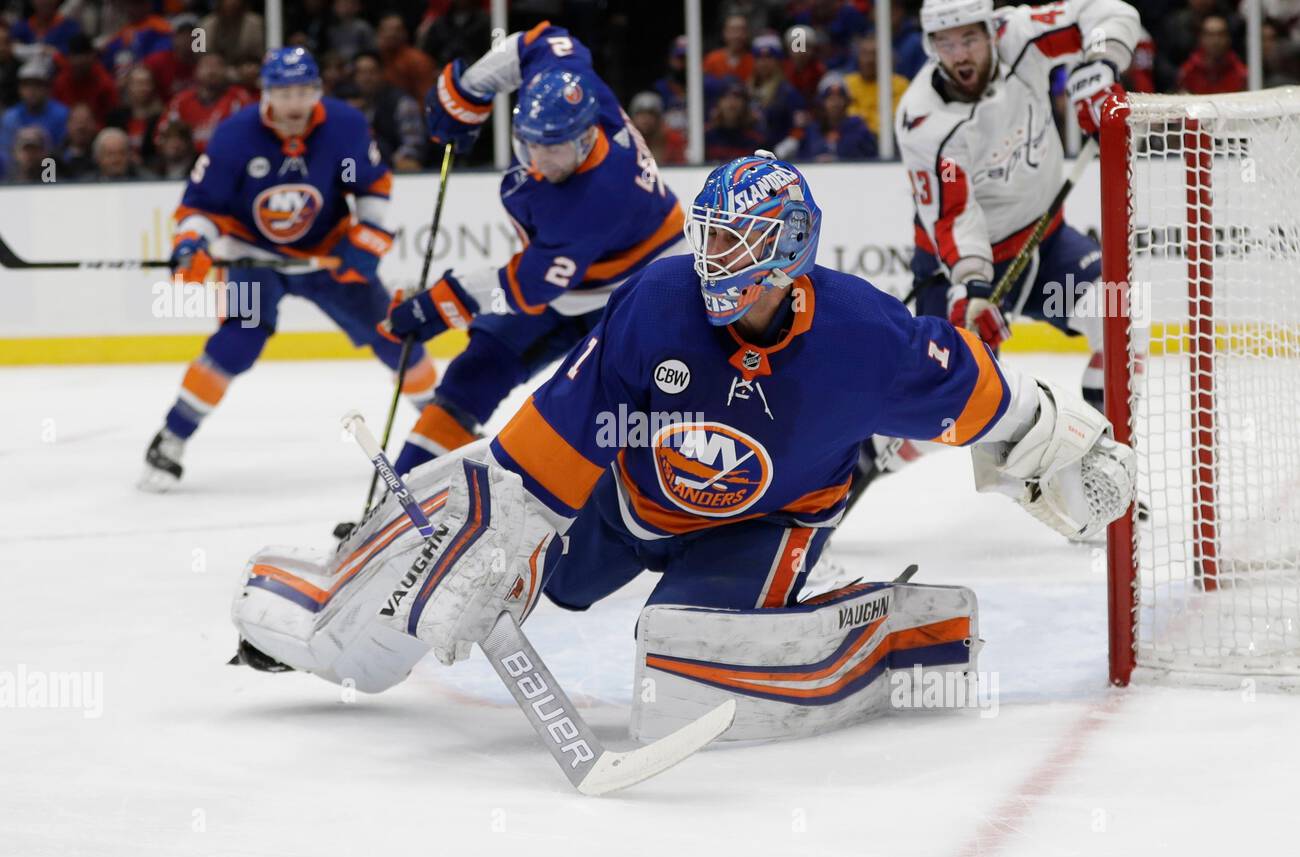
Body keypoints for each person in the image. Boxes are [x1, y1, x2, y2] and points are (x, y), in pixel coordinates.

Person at [229, 153, 1136, 724]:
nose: (716, 266)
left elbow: (991, 399)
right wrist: (500, 549)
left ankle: (892, 636)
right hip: (630, 500)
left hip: (766, 523)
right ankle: (326, 607)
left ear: (788, 255)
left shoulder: (870, 342)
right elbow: (538, 453)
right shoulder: (657, 304)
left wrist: (1073, 449)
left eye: (739, 251)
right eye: (712, 242)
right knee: (486, 537)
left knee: (684, 666)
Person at [377, 22, 686, 479]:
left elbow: (525, 289)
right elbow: (545, 39)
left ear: (586, 139)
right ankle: (395, 506)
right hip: (580, 277)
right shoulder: (573, 85)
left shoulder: (596, 198)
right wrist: (470, 91)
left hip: (641, 294)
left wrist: (436, 307)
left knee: (610, 415)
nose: (541, 161)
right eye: (531, 146)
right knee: (475, 371)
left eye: (556, 150)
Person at [140, 47, 438, 490]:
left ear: (317, 91)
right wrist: (191, 243)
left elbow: (371, 183)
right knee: (237, 341)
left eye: (303, 91)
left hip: (327, 252)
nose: (294, 103)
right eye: (284, 93)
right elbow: (201, 206)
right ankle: (171, 437)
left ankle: (445, 431)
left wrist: (366, 237)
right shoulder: (234, 136)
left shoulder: (346, 126)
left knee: (394, 334)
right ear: (266, 94)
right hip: (251, 255)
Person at [896, 0, 1140, 416]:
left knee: (1122, 321)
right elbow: (955, 217)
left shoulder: (1019, 37)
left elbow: (1107, 9)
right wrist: (972, 290)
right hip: (968, 265)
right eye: (946, 42)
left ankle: (1104, 455)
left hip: (1046, 244)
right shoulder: (924, 121)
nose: (960, 54)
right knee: (945, 410)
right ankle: (860, 460)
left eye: (969, 38)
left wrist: (1101, 63)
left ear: (991, 32)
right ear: (930, 44)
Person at [797, 72, 877, 162]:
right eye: (830, 98)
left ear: (846, 101)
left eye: (839, 97)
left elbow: (871, 159)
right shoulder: (811, 131)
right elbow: (802, 161)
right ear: (822, 103)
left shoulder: (859, 128)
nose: (835, 103)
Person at [1177, 14, 1248, 94]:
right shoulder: (1188, 73)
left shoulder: (1241, 74)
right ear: (1201, 38)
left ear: (1228, 39)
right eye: (1210, 35)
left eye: (1220, 34)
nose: (1215, 41)